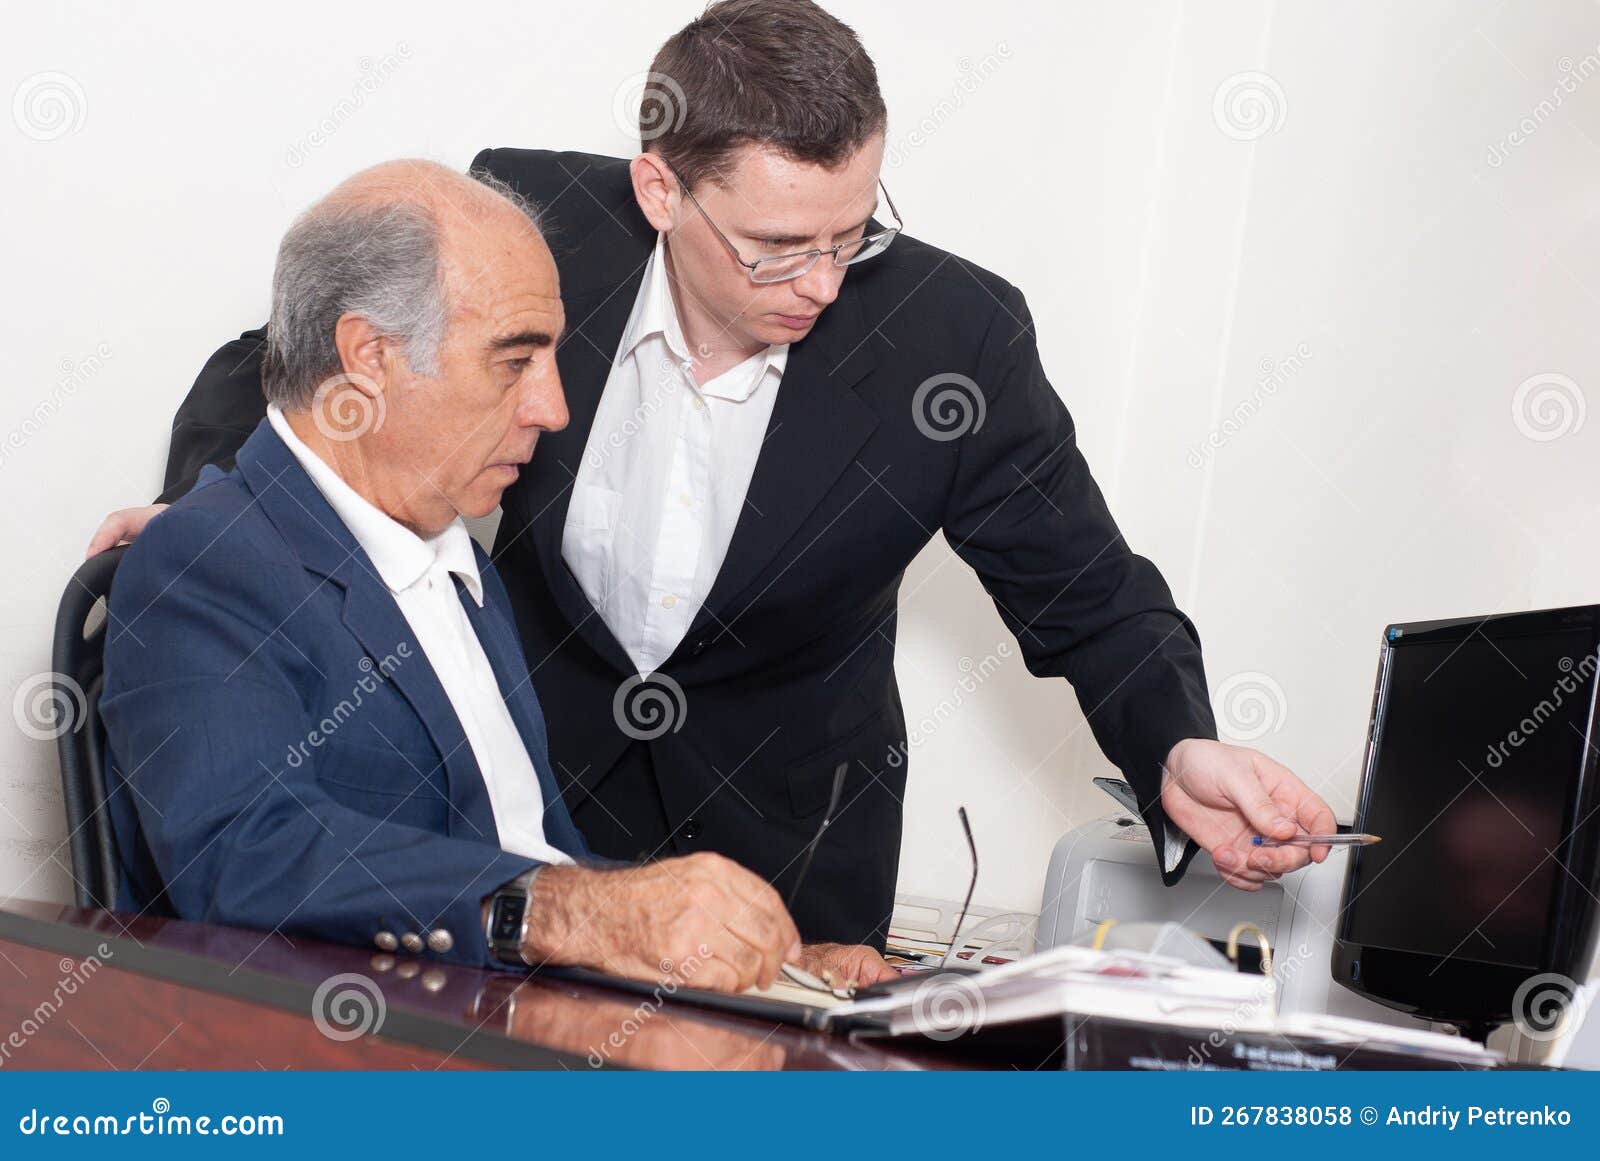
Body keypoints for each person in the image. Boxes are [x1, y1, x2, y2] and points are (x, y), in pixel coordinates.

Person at [90, 0, 1336, 966]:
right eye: (777, 246)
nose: (823, 284)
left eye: (855, 235)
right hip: (530, 840)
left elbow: (1088, 590)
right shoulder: (534, 233)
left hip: (788, 854)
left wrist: (1176, 742)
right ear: (660, 187)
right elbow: (290, 352)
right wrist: (222, 518)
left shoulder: (952, 339)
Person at [99, 159, 854, 992]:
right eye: (514, 361)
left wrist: (770, 967)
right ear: (369, 358)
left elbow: (532, 854)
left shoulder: (461, 563)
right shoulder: (207, 564)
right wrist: (574, 912)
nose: (554, 408)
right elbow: (243, 855)